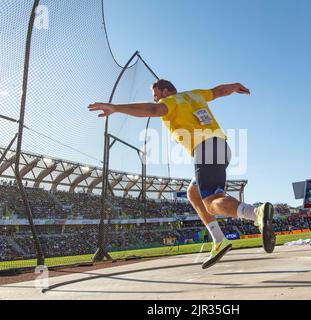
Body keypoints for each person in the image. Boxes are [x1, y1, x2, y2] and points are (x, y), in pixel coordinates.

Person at [89, 80, 276, 269]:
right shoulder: (195, 94)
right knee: (193, 193)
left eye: (156, 95)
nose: (155, 100)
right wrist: (235, 86)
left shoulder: (170, 102)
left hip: (205, 149)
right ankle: (219, 239)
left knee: (211, 203)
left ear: (164, 91)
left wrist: (116, 108)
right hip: (221, 146)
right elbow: (218, 91)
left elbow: (153, 111)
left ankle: (256, 213)